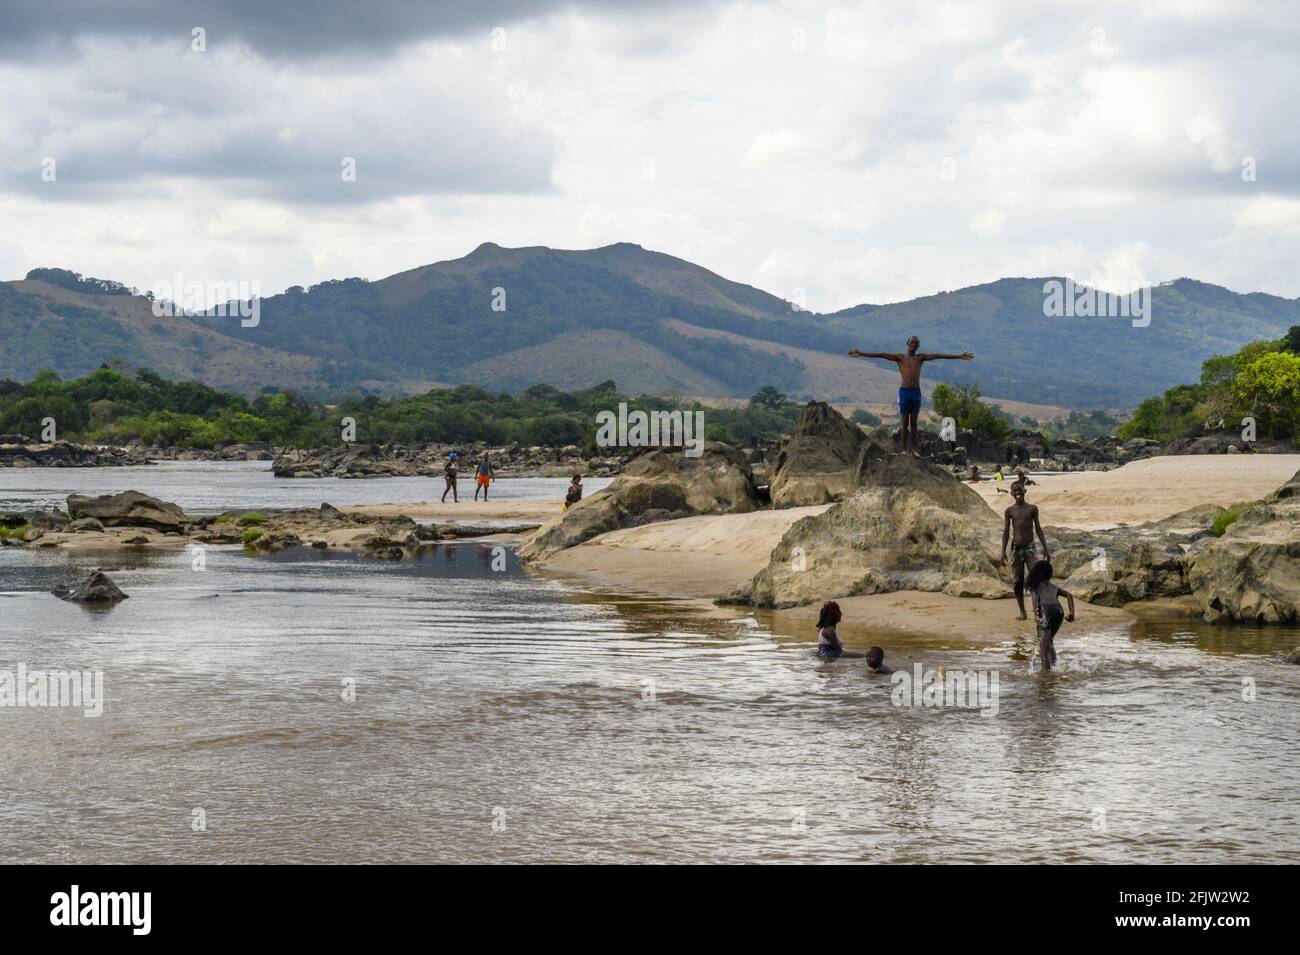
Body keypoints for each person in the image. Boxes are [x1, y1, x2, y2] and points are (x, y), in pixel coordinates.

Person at [847, 336, 974, 457]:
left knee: (914, 423)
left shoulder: (920, 358)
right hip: (904, 392)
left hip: (915, 392)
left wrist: (959, 356)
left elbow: (939, 355)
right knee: (904, 422)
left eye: (916, 343)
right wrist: (861, 353)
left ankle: (913, 449)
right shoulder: (900, 358)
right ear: (907, 343)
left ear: (918, 346)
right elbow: (881, 354)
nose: (913, 345)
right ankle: (903, 449)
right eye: (911, 342)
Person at [1001, 482, 1050, 621]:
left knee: (1035, 580)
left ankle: (1037, 612)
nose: (1018, 493)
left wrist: (1045, 548)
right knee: (1018, 582)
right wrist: (1003, 551)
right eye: (1015, 491)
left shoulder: (1032, 509)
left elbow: (1038, 529)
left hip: (1030, 548)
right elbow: (1006, 532)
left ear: (1025, 491)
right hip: (1015, 549)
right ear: (1011, 493)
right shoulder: (1009, 511)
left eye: (1020, 490)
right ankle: (1022, 611)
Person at [1025, 559, 1075, 672]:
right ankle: (1055, 666)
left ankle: (1046, 678)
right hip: (1058, 612)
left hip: (1045, 611)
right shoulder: (1053, 586)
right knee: (1050, 641)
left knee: (1043, 650)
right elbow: (1069, 595)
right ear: (1050, 574)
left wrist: (1037, 617)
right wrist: (1071, 613)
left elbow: (1035, 598)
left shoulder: (1035, 586)